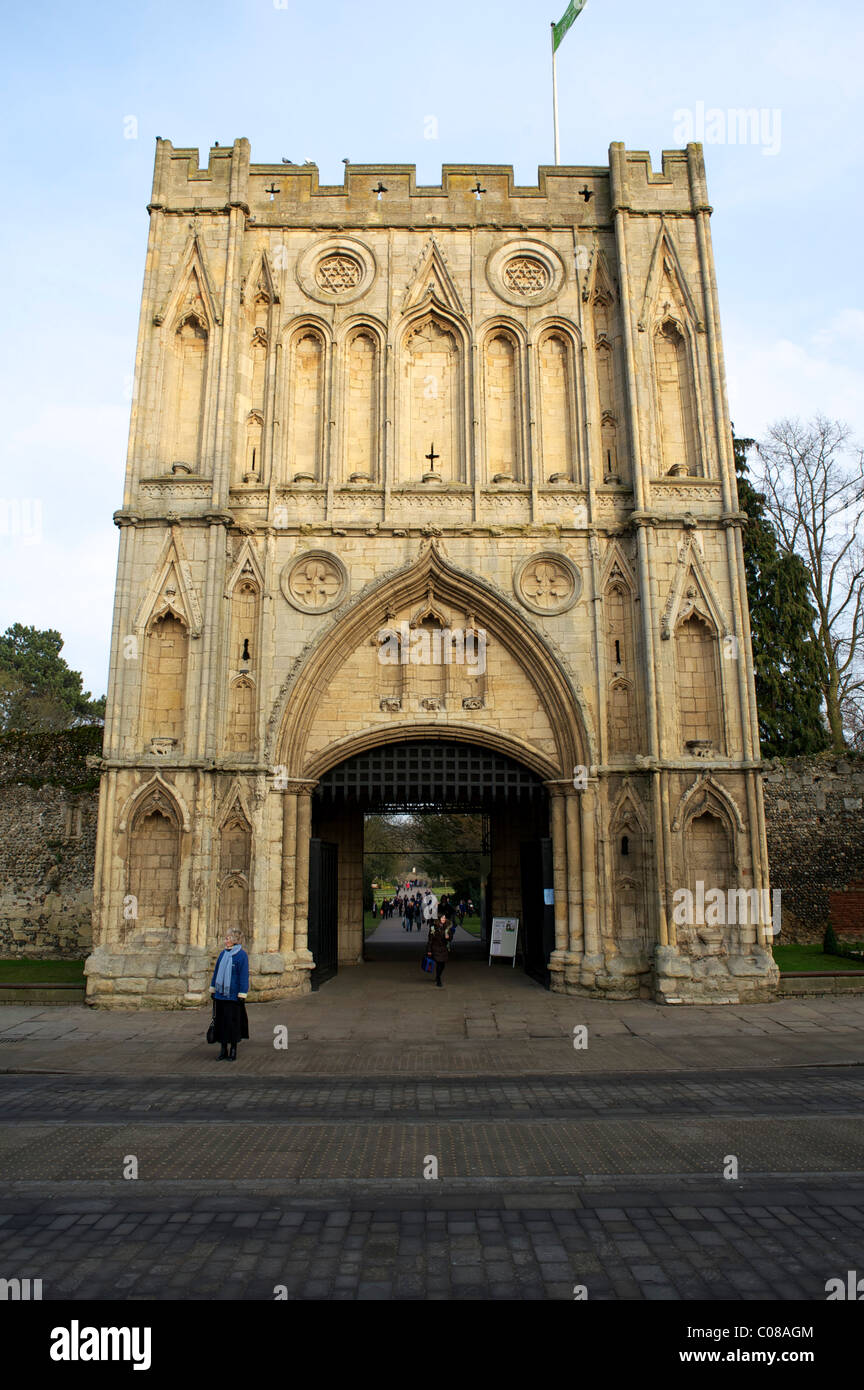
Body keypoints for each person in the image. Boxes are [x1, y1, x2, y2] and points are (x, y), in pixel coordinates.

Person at [209, 928, 249, 1061]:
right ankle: (222, 1049)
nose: (225, 940)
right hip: (221, 995)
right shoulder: (222, 954)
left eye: (227, 938)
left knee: (232, 1023)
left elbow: (243, 975)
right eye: (225, 938)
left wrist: (242, 993)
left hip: (233, 996)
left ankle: (233, 1049)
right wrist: (213, 989)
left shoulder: (241, 955)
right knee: (221, 1022)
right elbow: (216, 972)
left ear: (234, 940)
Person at [426, 914, 450, 988]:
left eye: (445, 918)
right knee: (439, 963)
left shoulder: (447, 927)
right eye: (442, 918)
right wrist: (429, 950)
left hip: (443, 948)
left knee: (443, 964)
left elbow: (450, 938)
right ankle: (438, 979)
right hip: (435, 948)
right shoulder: (433, 927)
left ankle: (437, 975)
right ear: (439, 918)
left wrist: (448, 937)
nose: (444, 919)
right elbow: (430, 939)